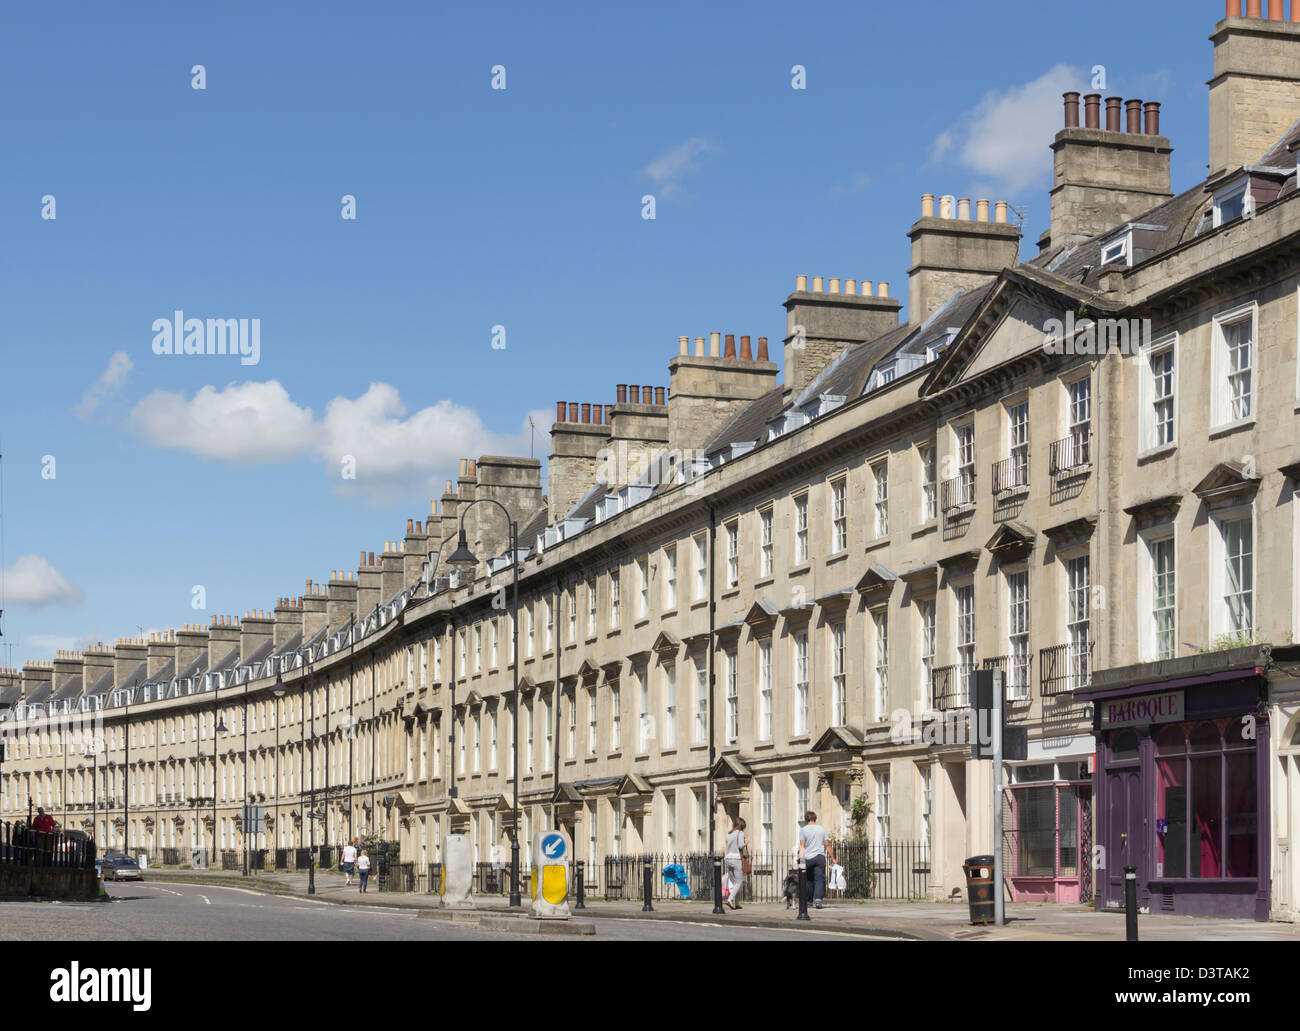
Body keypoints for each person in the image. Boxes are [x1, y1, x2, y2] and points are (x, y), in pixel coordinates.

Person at [797, 811, 836, 909]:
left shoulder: (803, 830)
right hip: (819, 857)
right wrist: (833, 858)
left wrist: (801, 859)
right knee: (819, 879)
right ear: (815, 819)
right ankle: (818, 900)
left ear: (806, 819)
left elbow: (802, 846)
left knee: (808, 880)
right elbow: (827, 844)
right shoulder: (822, 829)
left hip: (808, 858)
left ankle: (809, 901)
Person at [723, 817, 748, 910]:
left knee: (734, 882)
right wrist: (746, 842)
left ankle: (737, 903)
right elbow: (740, 845)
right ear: (741, 826)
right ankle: (730, 899)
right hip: (735, 859)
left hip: (727, 859)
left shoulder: (729, 834)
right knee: (739, 881)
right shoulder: (740, 833)